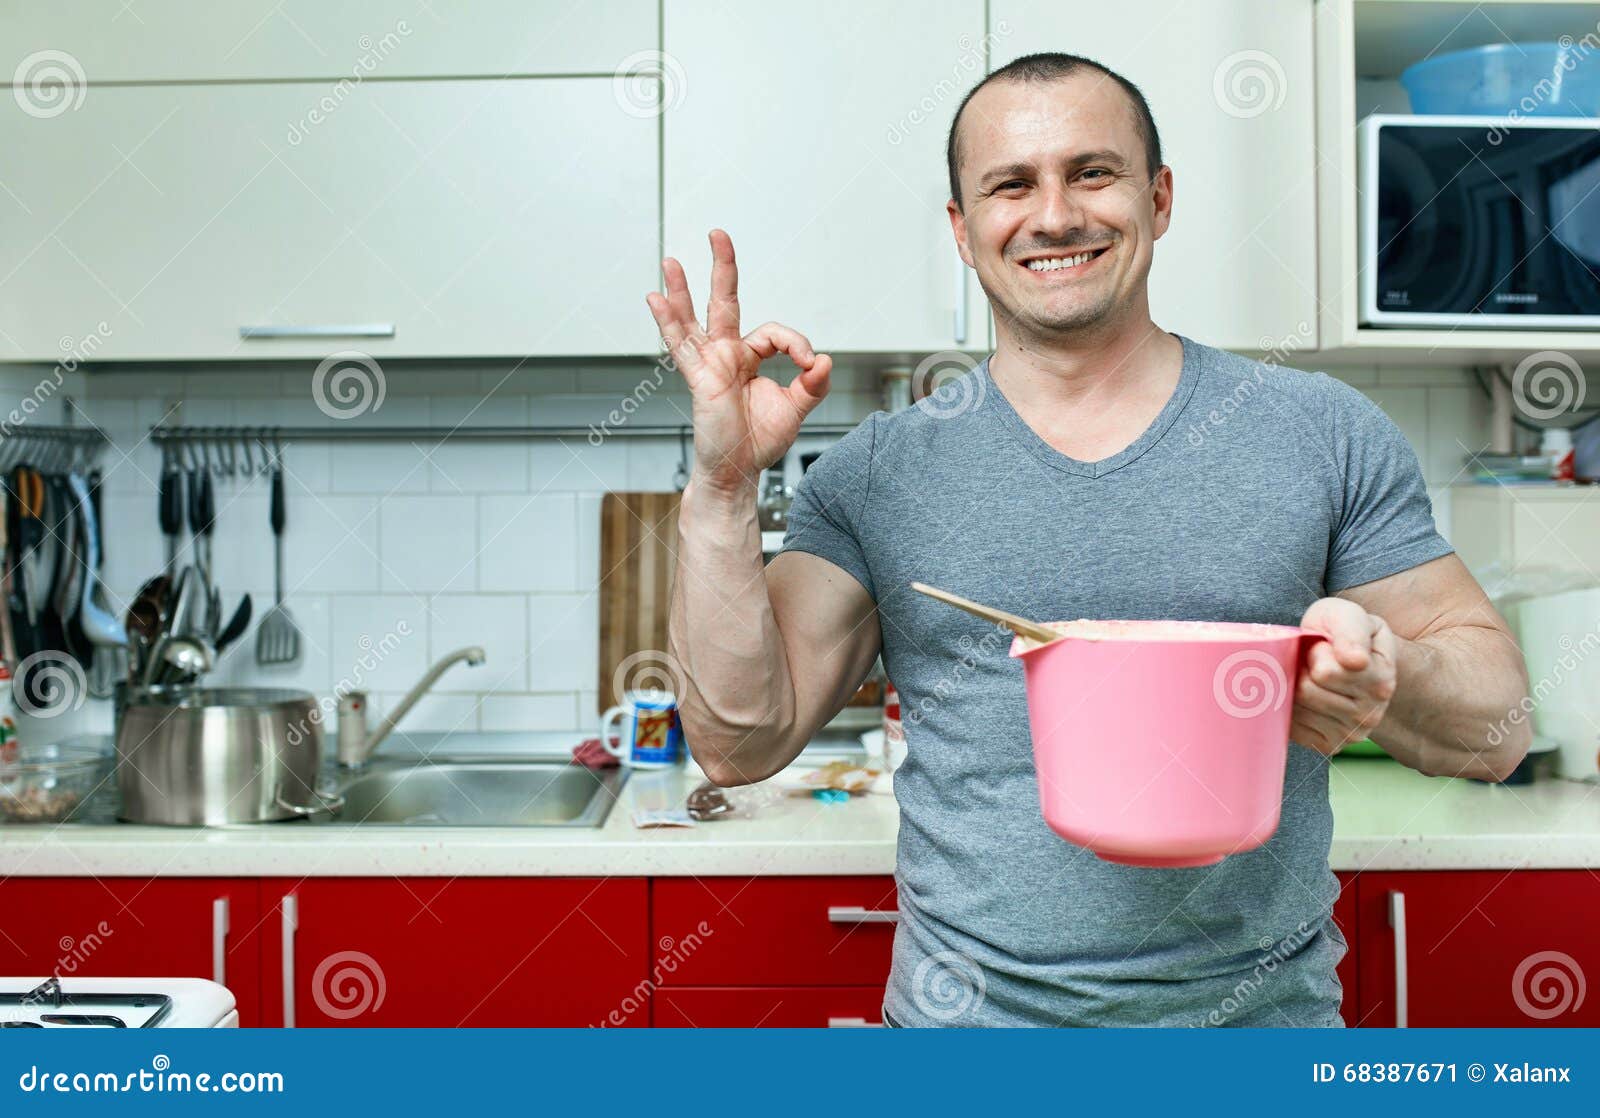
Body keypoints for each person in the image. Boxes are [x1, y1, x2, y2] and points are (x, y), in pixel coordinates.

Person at [645, 52, 1530, 1027]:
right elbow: (738, 739)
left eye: (1093, 173)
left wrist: (1383, 670)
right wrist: (722, 486)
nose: (1055, 213)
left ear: (1158, 197)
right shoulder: (877, 470)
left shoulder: (1319, 431)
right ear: (962, 229)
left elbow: (1499, 727)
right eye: (1011, 183)